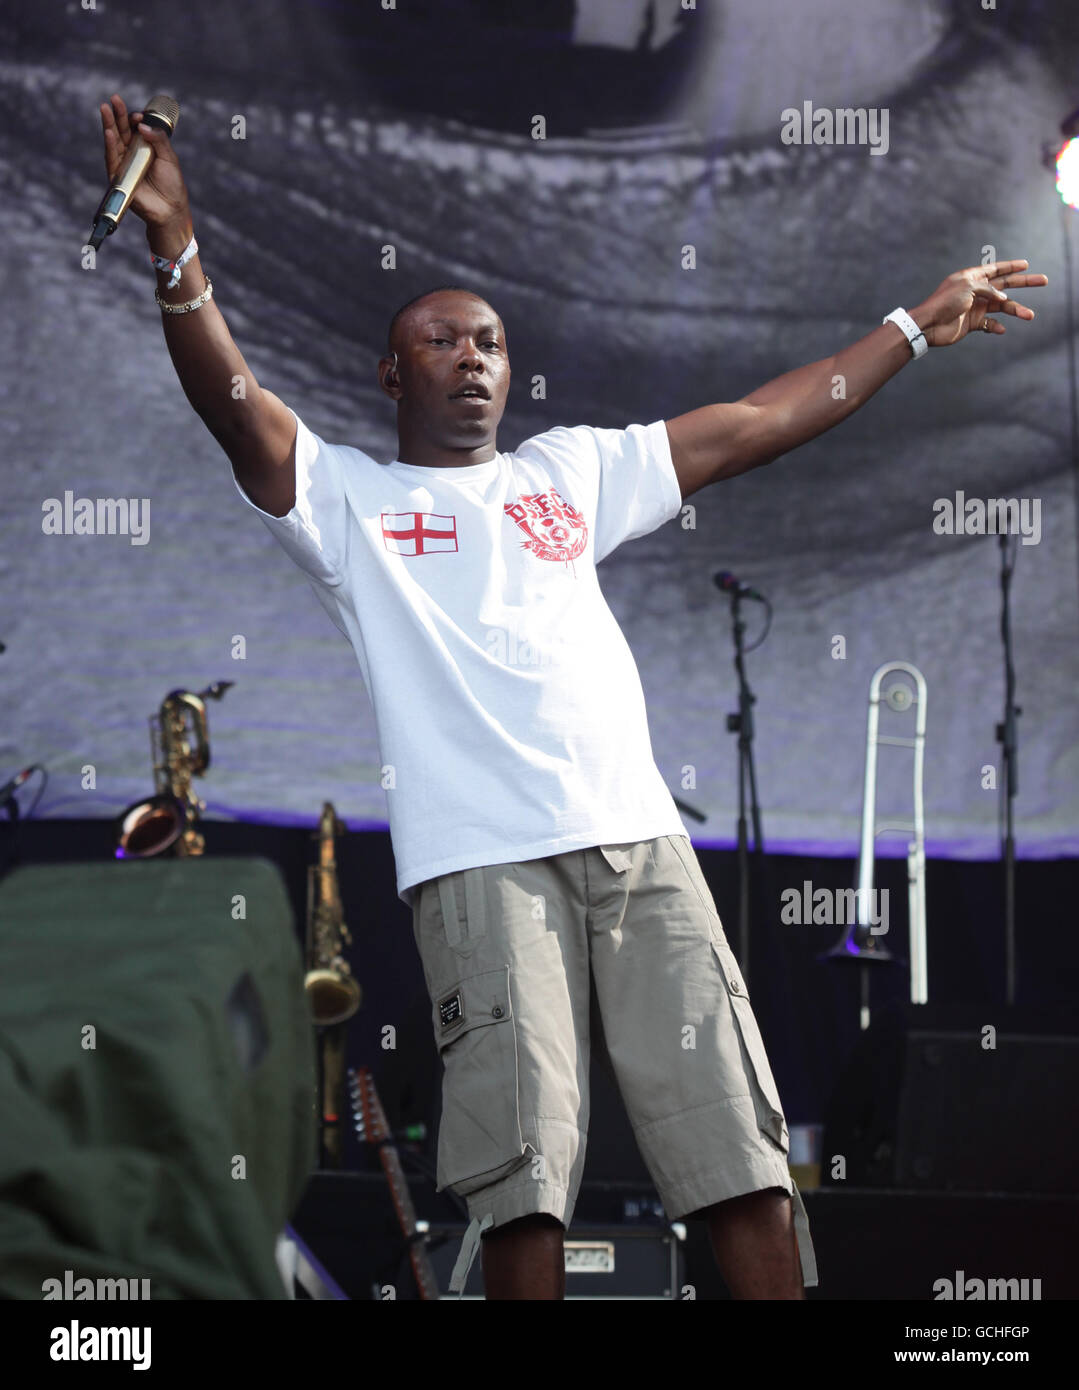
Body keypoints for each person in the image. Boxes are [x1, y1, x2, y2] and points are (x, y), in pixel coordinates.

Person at [100, 94, 1046, 1301]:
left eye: (490, 340)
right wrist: (173, 242)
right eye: (443, 340)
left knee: (739, 1152)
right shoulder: (351, 504)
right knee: (521, 1176)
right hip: (484, 863)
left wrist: (915, 324)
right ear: (394, 370)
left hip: (640, 841)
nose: (474, 356)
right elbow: (230, 400)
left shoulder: (574, 469)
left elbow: (761, 418)